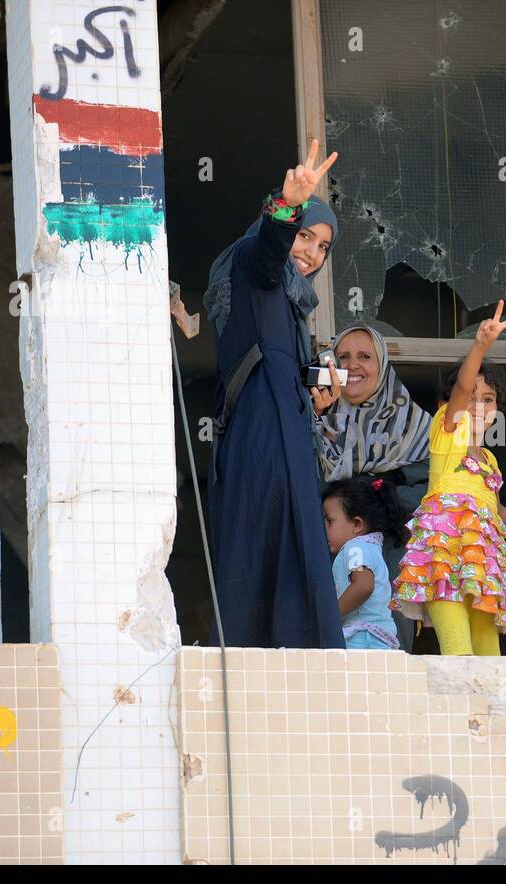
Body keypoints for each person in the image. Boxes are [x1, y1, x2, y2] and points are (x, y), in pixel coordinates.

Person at [202, 140, 345, 648]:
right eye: (305, 236)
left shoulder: (290, 303)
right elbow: (266, 254)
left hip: (282, 446)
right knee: (268, 552)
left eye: (323, 246)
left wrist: (315, 399)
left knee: (289, 556)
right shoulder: (252, 265)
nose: (311, 253)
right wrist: (285, 207)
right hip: (263, 444)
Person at [391, 302, 506, 655]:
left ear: (498, 410)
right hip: (442, 560)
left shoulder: (489, 461)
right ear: (448, 403)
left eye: (487, 399)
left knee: (490, 659)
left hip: (480, 567)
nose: (477, 404)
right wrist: (481, 346)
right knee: (460, 655)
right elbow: (461, 387)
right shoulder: (447, 430)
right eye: (470, 396)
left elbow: (497, 509)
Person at [310, 323, 432, 650]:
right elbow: (300, 480)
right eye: (343, 357)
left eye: (365, 356)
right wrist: (315, 418)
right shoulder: (316, 418)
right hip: (327, 549)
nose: (352, 365)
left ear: (382, 365)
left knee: (390, 643)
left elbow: (437, 487)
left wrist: (380, 502)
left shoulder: (415, 425)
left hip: (391, 546)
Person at [322, 476, 406, 650]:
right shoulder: (367, 548)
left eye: (330, 521)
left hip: (364, 638)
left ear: (357, 524)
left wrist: (328, 618)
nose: (324, 527)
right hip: (372, 639)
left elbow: (363, 586)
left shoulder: (356, 548)